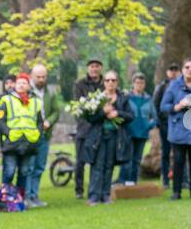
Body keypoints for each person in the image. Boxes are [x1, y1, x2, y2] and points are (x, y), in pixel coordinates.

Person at [82, 70, 133, 205]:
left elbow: (131, 116)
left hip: (115, 137)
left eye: (113, 80)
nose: (110, 83)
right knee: (97, 166)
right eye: (107, 80)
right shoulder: (97, 98)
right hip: (98, 137)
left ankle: (105, 195)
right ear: (103, 82)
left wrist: (117, 113)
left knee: (109, 165)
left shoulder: (122, 98)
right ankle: (93, 196)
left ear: (117, 82)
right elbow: (89, 118)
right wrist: (103, 112)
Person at [160, 58, 191, 200]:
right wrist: (177, 106)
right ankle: (176, 192)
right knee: (178, 162)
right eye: (187, 67)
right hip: (178, 129)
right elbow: (163, 106)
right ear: (182, 70)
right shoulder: (174, 85)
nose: (190, 70)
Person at [0, 72, 42, 200]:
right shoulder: (6, 100)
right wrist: (8, 133)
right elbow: (0, 120)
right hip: (12, 142)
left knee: (24, 172)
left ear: (28, 86)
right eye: (19, 82)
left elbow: (40, 122)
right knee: (9, 172)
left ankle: (19, 200)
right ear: (15, 85)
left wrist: (37, 134)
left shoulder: (36, 102)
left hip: (28, 142)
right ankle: (6, 199)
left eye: (24, 83)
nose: (21, 85)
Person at [26, 63, 63, 208]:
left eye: (43, 77)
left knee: (40, 167)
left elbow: (56, 111)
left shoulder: (50, 93)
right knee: (29, 167)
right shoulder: (27, 91)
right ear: (32, 76)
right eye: (38, 77)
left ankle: (34, 196)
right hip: (30, 135)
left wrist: (49, 121)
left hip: (44, 135)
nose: (41, 79)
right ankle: (26, 196)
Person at [71, 58, 104, 199]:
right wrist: (86, 122)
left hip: (100, 127)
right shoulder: (80, 84)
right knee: (80, 161)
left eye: (97, 66)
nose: (94, 69)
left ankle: (95, 187)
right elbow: (78, 106)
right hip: (84, 129)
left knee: (97, 160)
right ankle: (79, 189)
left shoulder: (105, 83)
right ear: (88, 68)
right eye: (91, 66)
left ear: (100, 68)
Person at [120, 72, 154, 185]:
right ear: (133, 84)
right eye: (137, 82)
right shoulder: (127, 97)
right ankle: (123, 181)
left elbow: (155, 117)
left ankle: (133, 181)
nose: (139, 85)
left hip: (142, 133)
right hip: (129, 132)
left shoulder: (149, 99)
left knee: (137, 159)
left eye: (142, 83)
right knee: (127, 158)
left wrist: (148, 126)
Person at [150, 63, 179, 187]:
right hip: (165, 125)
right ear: (167, 72)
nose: (173, 72)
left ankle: (181, 179)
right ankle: (165, 179)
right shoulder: (161, 87)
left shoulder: (182, 86)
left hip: (179, 124)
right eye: (171, 70)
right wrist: (159, 123)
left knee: (180, 153)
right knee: (166, 153)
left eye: (175, 70)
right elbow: (155, 105)